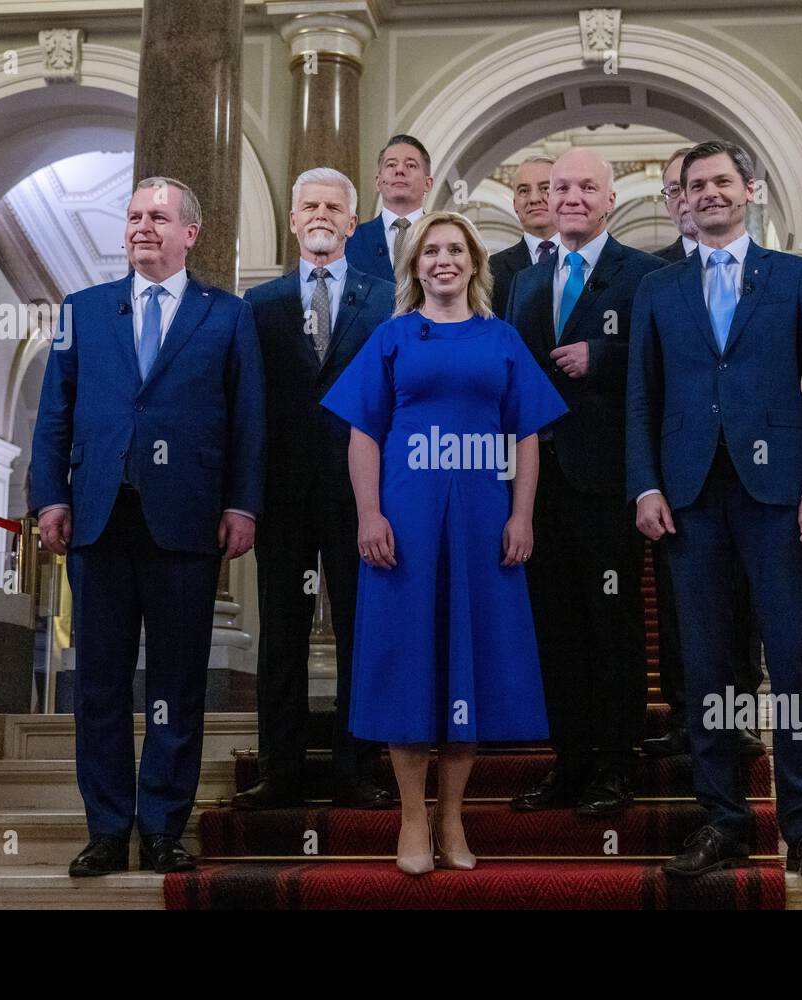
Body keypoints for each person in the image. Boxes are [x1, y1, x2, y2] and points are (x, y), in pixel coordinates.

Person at [626, 140, 802, 883]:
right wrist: (645, 485)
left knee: (792, 661)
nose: (710, 193)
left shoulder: (793, 277)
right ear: (682, 199)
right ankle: (723, 819)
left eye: (723, 181)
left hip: (780, 498)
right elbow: (640, 402)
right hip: (690, 499)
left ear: (749, 190)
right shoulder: (658, 290)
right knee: (710, 667)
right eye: (696, 185)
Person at [30, 176, 265, 877]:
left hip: (185, 523)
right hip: (99, 518)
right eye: (133, 216)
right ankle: (107, 828)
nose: (142, 227)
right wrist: (50, 498)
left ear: (191, 233)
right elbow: (54, 416)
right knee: (97, 683)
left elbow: (248, 420)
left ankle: (163, 825)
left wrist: (242, 503)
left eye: (158, 217)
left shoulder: (227, 316)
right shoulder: (82, 310)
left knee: (175, 684)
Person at [320, 211, 567, 875]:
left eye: (456, 249)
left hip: (486, 520)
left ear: (475, 263)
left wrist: (523, 516)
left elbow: (526, 437)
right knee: (410, 666)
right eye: (431, 250)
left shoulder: (504, 338)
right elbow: (363, 433)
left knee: (471, 666)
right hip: (405, 520)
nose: (443, 260)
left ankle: (452, 817)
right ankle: (411, 819)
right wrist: (369, 514)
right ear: (415, 265)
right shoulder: (392, 336)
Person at [505, 148, 665, 817]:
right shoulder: (525, 284)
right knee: (557, 631)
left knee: (612, 625)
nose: (568, 197)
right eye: (559, 187)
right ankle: (568, 764)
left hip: (606, 480)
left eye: (583, 187)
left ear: (609, 201)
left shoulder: (646, 276)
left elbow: (664, 364)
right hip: (539, 485)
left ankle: (614, 767)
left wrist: (604, 355)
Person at [233, 167, 396, 811]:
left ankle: (358, 768)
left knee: (363, 630)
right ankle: (283, 769)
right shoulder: (260, 305)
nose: (322, 215)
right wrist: (243, 497)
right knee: (282, 632)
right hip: (283, 494)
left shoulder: (386, 300)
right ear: (294, 221)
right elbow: (246, 409)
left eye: (335, 206)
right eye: (311, 206)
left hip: (362, 494)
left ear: (353, 223)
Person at [645, 148, 765, 760]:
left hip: (752, 469)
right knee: (677, 604)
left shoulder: (769, 272)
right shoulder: (653, 277)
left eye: (713, 183)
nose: (692, 198)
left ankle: (737, 713)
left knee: (743, 601)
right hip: (682, 470)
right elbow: (645, 385)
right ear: (675, 202)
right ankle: (686, 714)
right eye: (678, 189)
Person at [344, 134, 433, 283]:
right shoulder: (351, 240)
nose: (399, 170)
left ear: (428, 183)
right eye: (391, 165)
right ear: (378, 182)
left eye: (410, 165)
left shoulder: (444, 239)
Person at [490, 155, 560, 315]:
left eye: (545, 188)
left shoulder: (587, 259)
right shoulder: (492, 269)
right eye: (524, 191)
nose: (534, 199)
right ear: (515, 204)